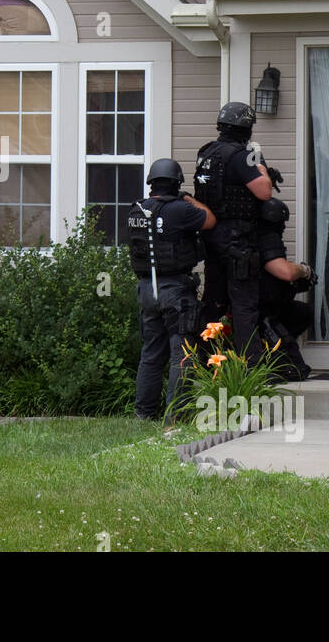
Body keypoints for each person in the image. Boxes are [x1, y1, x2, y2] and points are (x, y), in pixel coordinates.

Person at [129, 158, 216, 422]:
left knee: (152, 353)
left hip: (147, 290)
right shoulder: (181, 209)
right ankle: (176, 415)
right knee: (183, 353)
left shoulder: (136, 211)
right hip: (175, 291)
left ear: (151, 183)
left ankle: (143, 413)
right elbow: (210, 220)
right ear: (177, 182)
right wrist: (188, 198)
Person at [194, 102, 274, 362]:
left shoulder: (206, 152)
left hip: (212, 236)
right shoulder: (242, 155)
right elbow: (264, 191)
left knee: (213, 302)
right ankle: (250, 366)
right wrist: (261, 166)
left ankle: (205, 362)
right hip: (237, 239)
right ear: (246, 129)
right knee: (244, 304)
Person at [255, 197, 315, 381]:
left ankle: (272, 351)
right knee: (295, 370)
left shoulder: (262, 237)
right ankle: (271, 359)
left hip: (274, 307)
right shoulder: (265, 238)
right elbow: (286, 273)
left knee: (302, 312)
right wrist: (305, 271)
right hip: (262, 315)